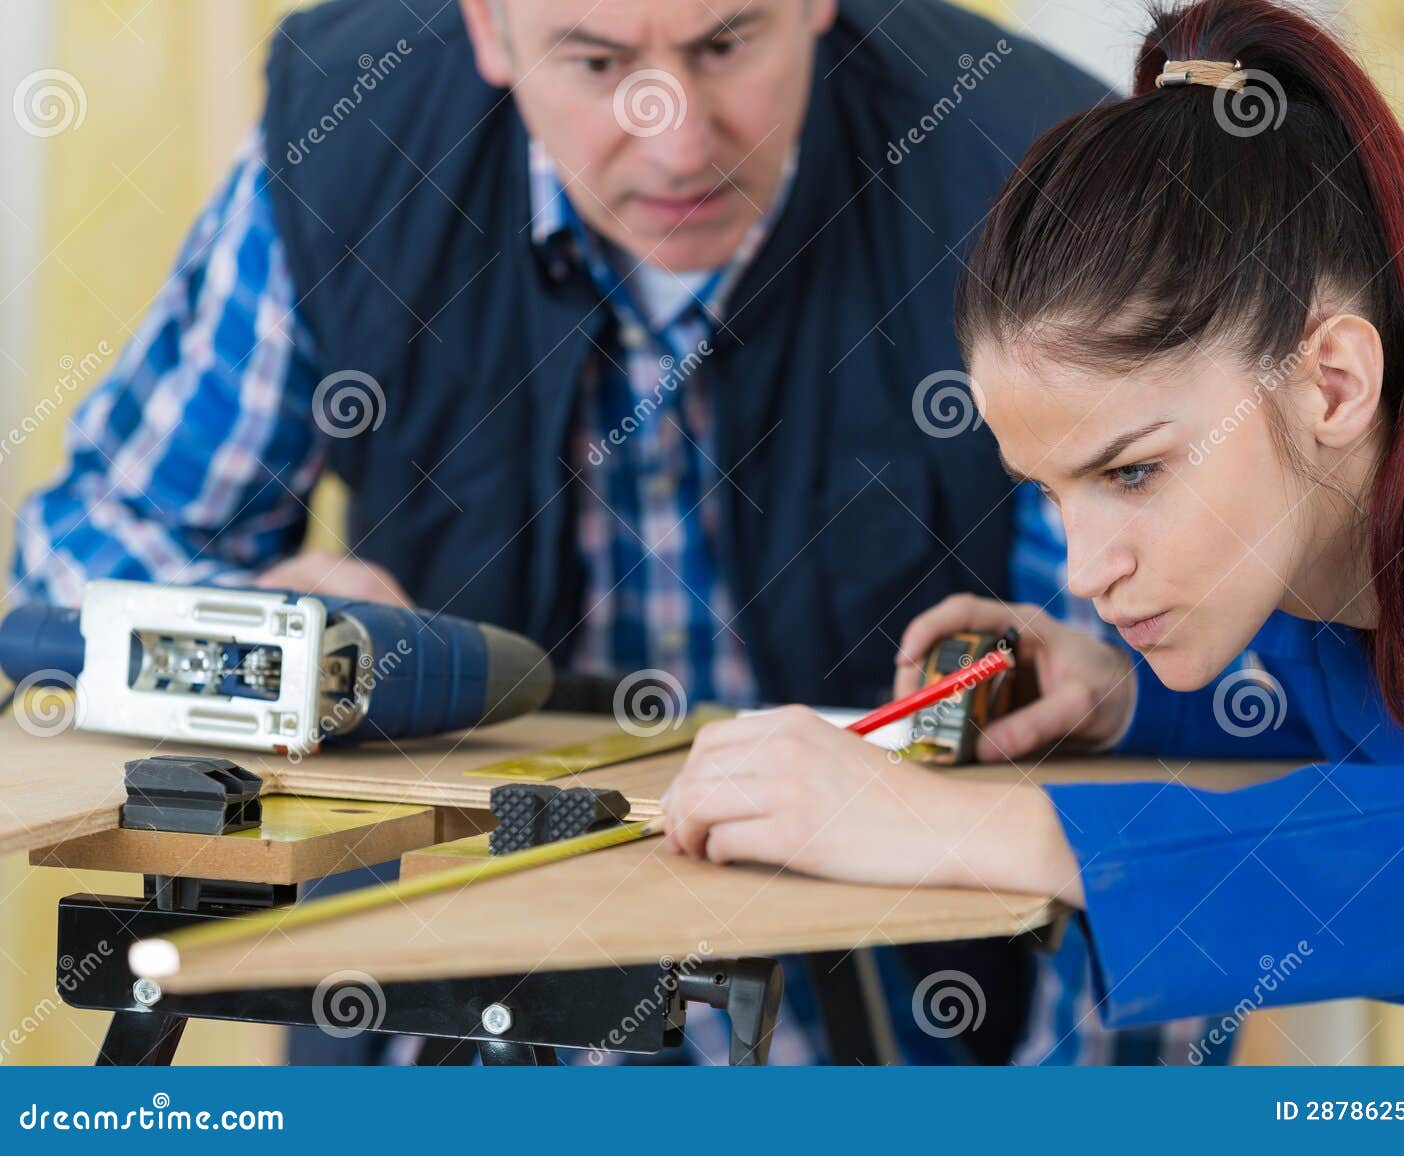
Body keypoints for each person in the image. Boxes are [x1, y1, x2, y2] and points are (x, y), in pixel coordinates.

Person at [11, 0, 1219, 1065]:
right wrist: (256, 620)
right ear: (488, 25)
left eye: (725, 39)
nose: (677, 137)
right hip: (434, 1017)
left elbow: (1146, 751)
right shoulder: (347, 138)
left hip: (884, 1035)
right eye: (595, 61)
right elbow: (83, 547)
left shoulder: (1026, 171)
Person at [659, 0, 1404, 1064]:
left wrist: (945, 827)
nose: (1087, 568)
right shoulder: (1319, 552)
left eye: (1134, 470)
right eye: (1052, 494)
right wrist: (1119, 696)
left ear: (1331, 382)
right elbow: (1374, 707)